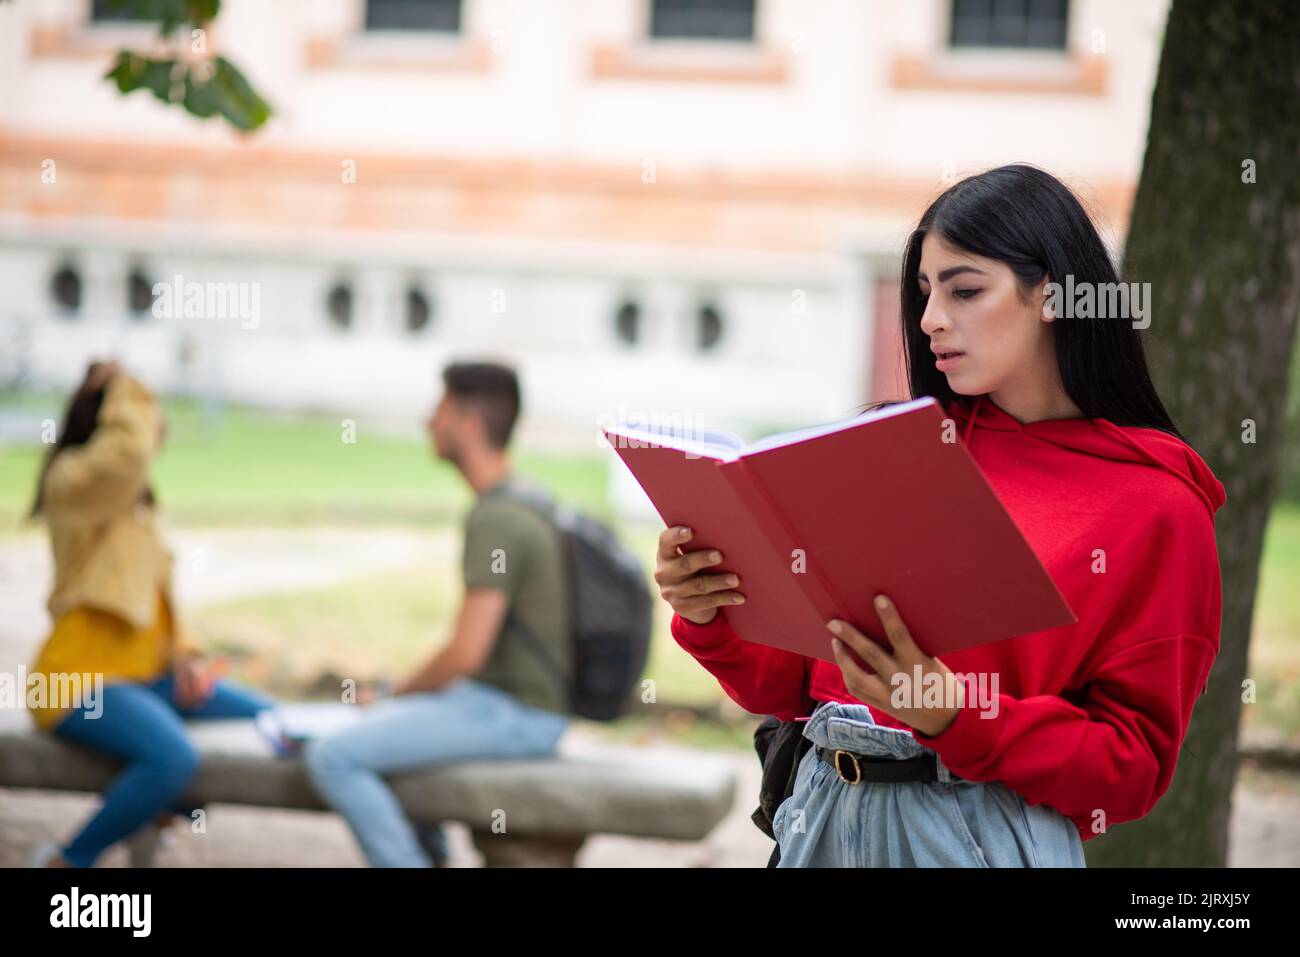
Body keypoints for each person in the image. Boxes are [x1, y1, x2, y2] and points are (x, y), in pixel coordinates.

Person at [655, 164, 1226, 867]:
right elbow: (790, 683)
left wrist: (954, 713)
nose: (929, 320)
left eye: (965, 290)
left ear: (1052, 295)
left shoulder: (1156, 505)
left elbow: (1131, 768)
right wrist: (709, 612)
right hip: (819, 812)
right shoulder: (888, 448)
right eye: (925, 293)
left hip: (978, 834)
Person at [305, 361, 571, 867]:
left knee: (333, 757)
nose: (429, 424)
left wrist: (388, 695)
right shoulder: (526, 497)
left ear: (468, 425)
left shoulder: (499, 517)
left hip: (517, 715)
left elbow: (463, 655)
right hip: (504, 704)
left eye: (439, 412)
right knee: (383, 734)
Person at [26, 361, 273, 868]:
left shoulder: (138, 504)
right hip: (76, 680)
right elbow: (129, 453)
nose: (155, 424)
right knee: (173, 756)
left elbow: (160, 600)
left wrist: (186, 657)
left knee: (269, 722)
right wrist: (124, 385)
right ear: (112, 420)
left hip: (148, 677)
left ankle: (154, 809)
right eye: (142, 412)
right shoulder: (71, 482)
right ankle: (66, 861)